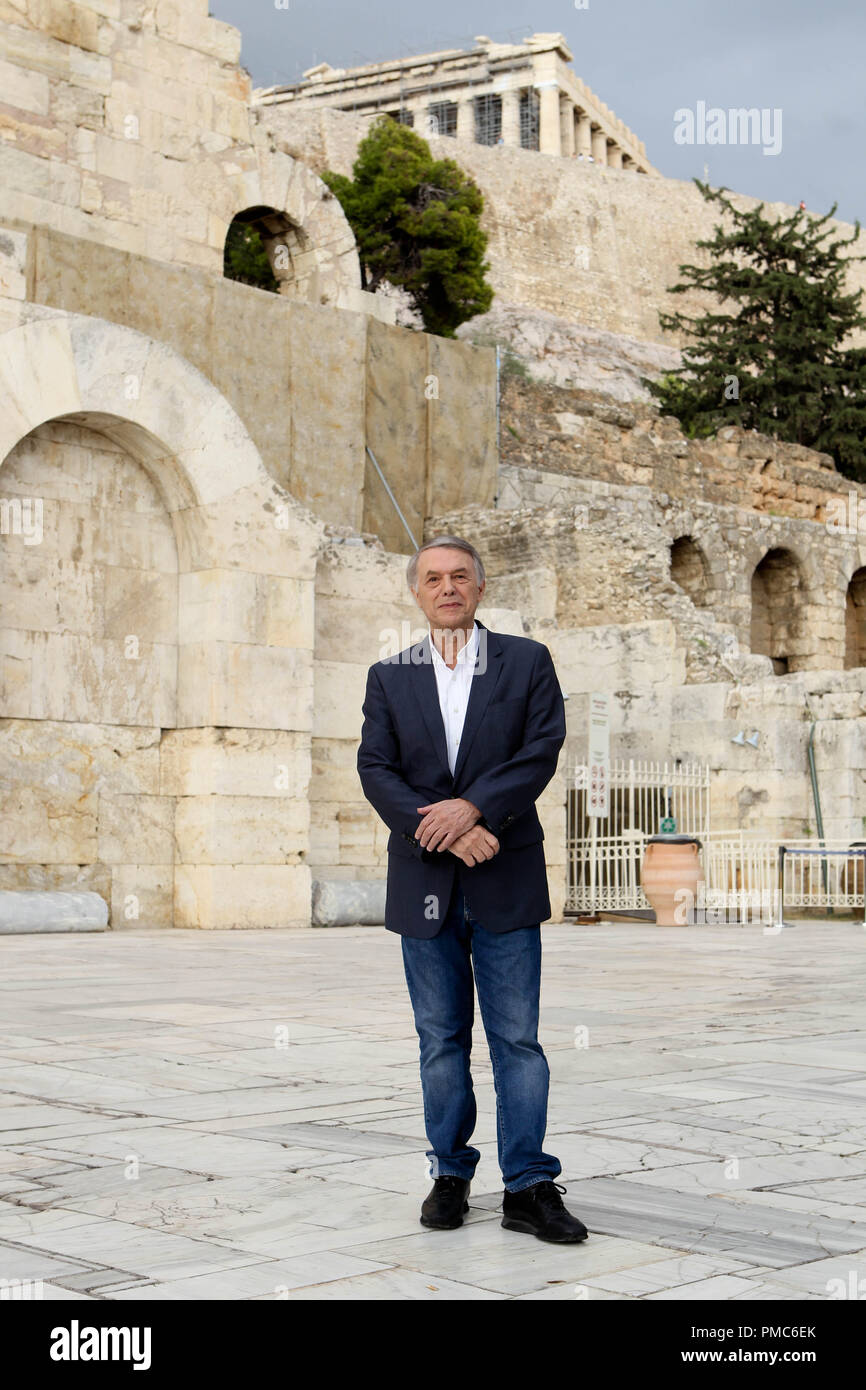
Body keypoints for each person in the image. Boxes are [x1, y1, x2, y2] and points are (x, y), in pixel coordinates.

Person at [357, 535, 588, 1243]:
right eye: (433, 578)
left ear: (480, 588)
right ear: (416, 592)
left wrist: (478, 808)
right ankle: (449, 1175)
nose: (447, 587)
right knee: (439, 1039)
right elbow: (376, 768)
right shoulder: (389, 676)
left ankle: (528, 1186)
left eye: (460, 576)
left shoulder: (526, 662)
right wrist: (452, 830)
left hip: (505, 875)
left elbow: (539, 750)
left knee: (517, 1038)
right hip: (425, 882)